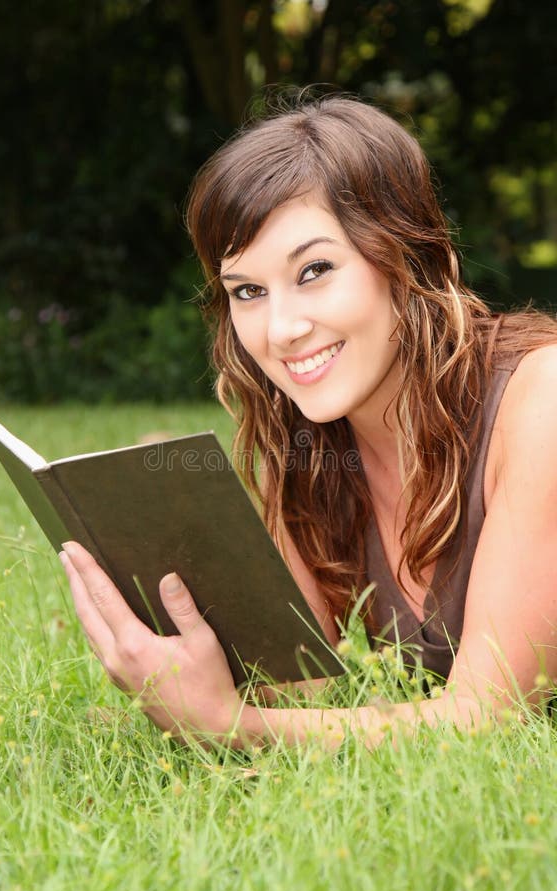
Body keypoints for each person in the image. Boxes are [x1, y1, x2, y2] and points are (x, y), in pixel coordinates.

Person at [59, 93, 557, 749]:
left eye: (315, 271)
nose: (282, 330)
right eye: (248, 291)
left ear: (406, 257)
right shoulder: (317, 445)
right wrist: (172, 654)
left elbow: (490, 718)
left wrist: (230, 725)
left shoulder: (540, 400)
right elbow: (294, 688)